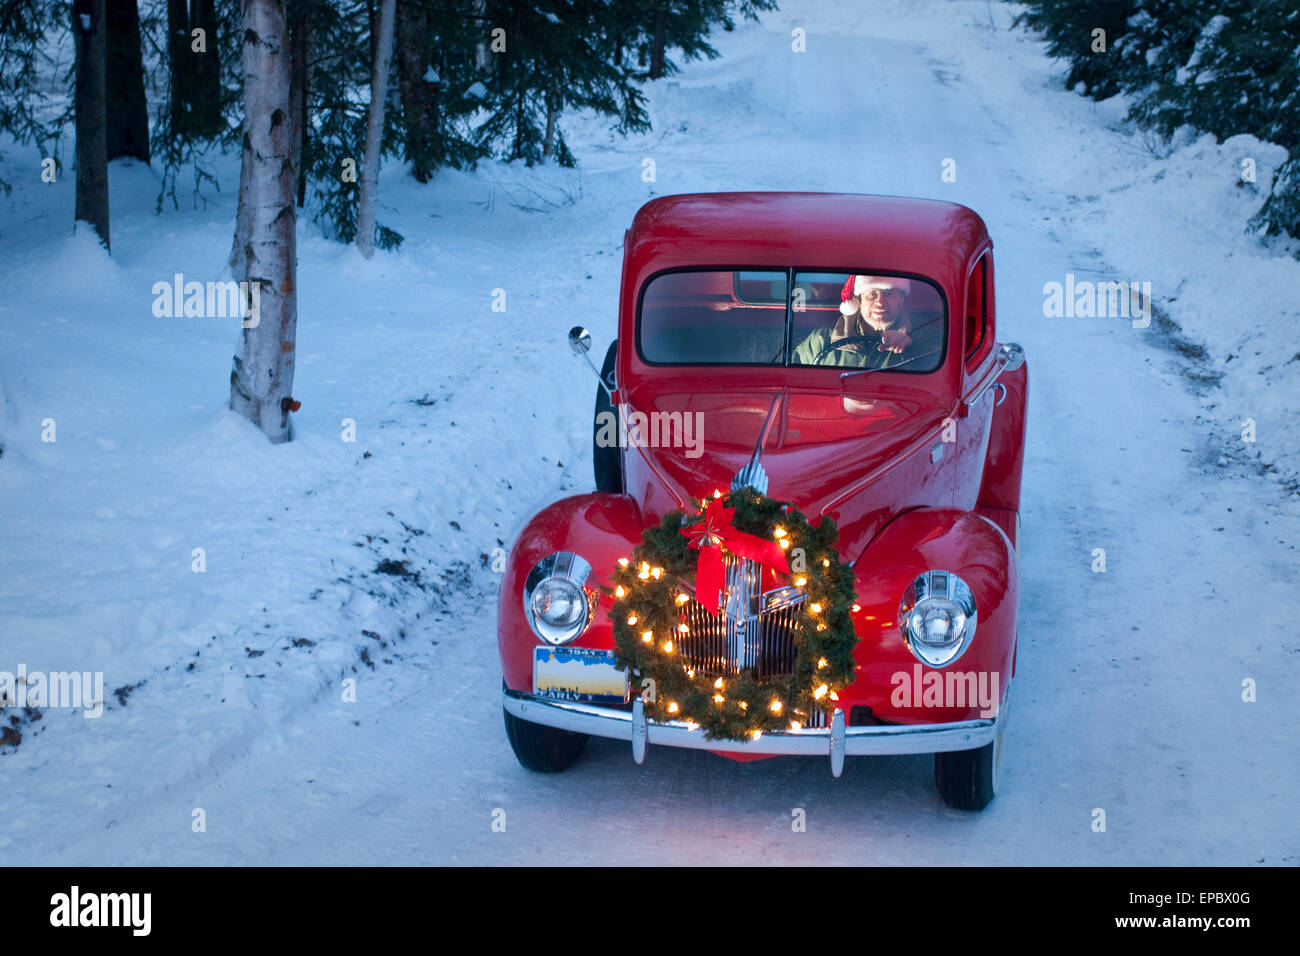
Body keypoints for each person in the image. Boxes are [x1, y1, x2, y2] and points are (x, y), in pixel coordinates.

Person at [791, 274, 942, 369]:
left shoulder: (927, 334)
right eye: (872, 294)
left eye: (889, 294)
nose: (880, 302)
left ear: (901, 299)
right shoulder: (822, 340)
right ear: (859, 301)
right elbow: (795, 382)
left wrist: (910, 346)